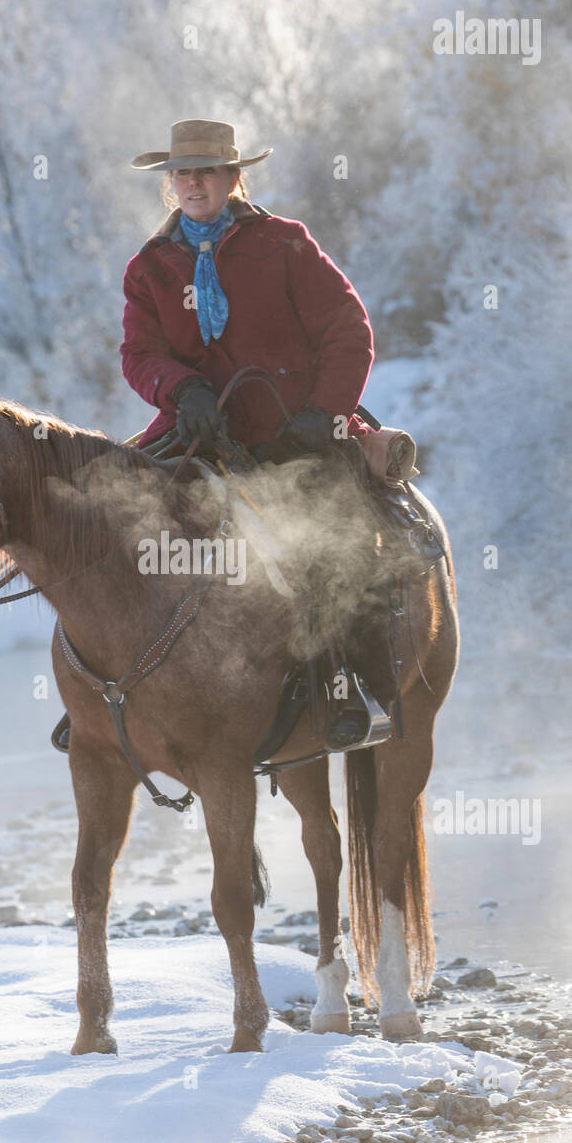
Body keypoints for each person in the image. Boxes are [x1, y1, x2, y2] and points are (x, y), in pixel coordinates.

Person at [120, 118, 395, 748]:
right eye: (182, 173)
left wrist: (323, 414)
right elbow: (139, 354)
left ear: (232, 178)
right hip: (195, 432)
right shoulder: (151, 267)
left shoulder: (285, 244)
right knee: (111, 520)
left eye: (207, 171)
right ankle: (110, 694)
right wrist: (181, 389)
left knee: (332, 542)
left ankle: (347, 685)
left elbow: (348, 332)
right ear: (170, 184)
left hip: (291, 434)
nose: (193, 183)